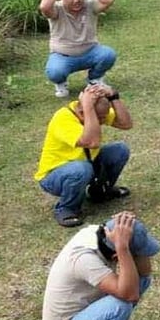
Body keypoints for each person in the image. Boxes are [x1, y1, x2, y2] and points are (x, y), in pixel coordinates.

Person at [41, 212, 157, 320]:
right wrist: (124, 249)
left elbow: (144, 273)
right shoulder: (84, 259)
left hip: (84, 315)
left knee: (139, 282)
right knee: (121, 303)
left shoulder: (100, 234)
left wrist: (126, 228)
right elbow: (129, 295)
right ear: (116, 255)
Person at [36, 83, 133, 228]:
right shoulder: (63, 118)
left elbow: (126, 124)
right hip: (54, 177)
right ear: (82, 111)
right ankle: (66, 208)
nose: (102, 122)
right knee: (81, 169)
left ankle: (100, 192)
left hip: (86, 164)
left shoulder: (96, 111)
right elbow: (91, 142)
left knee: (120, 150)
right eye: (100, 118)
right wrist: (88, 107)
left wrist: (113, 96)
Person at [39, 0, 116, 98]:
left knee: (108, 54)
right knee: (55, 72)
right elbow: (44, 7)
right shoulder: (56, 9)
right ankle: (61, 83)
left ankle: (94, 79)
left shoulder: (89, 5)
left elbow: (108, 0)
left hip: (90, 51)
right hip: (63, 56)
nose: (76, 1)